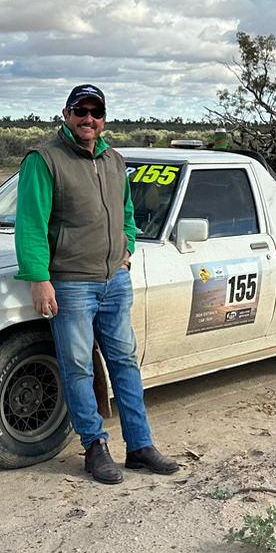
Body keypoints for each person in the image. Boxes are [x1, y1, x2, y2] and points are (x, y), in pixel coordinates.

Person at [15, 84, 180, 484]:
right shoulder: (44, 160)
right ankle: (94, 447)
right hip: (71, 283)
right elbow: (31, 224)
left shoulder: (114, 159)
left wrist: (127, 249)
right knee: (77, 368)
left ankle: (140, 446)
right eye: (81, 110)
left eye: (96, 111)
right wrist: (39, 278)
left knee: (125, 363)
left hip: (114, 280)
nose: (89, 118)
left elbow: (126, 211)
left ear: (104, 117)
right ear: (66, 114)